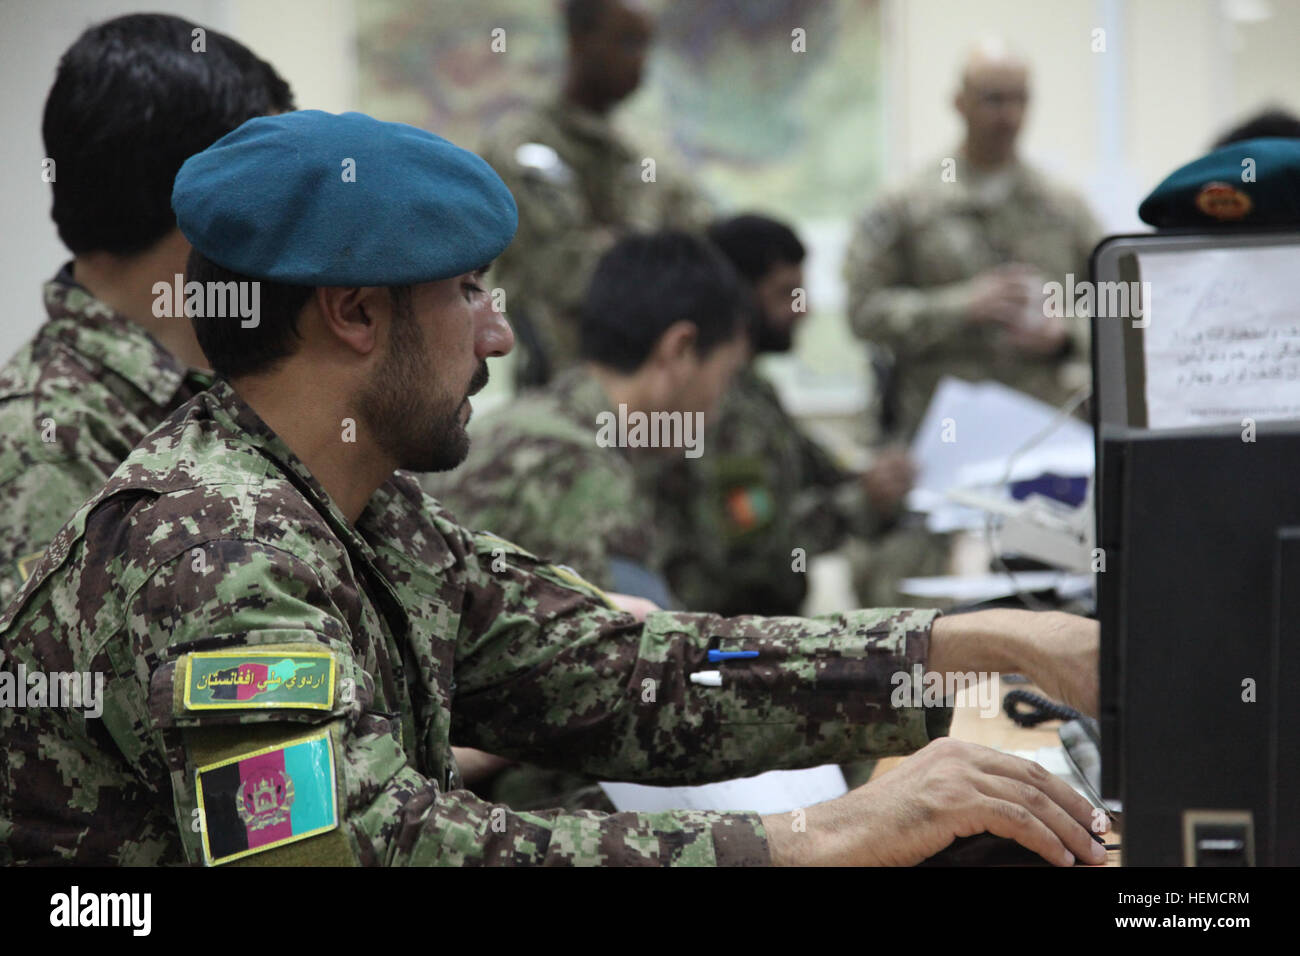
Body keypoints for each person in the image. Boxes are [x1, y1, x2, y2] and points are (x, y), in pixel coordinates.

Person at [0, 109, 1105, 868]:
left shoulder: (359, 510)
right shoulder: (212, 552)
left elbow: (630, 670)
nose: (501, 332)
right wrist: (813, 835)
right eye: (469, 290)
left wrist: (990, 644)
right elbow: (354, 849)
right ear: (353, 313)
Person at [0, 13, 293, 610]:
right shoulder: (43, 444)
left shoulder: (251, 386)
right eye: (273, 178)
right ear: (209, 197)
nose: (288, 211)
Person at [426, 230, 749, 603]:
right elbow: (640, 651)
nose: (719, 406)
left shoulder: (510, 423)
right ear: (680, 350)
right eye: (727, 376)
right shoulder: (588, 478)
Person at [646, 213, 915, 619]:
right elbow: (746, 551)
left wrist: (873, 476)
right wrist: (862, 502)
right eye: (786, 294)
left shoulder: (754, 391)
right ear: (738, 296)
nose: (802, 311)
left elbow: (819, 467)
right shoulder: (711, 402)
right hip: (721, 636)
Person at [842, 39, 1101, 444]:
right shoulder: (906, 206)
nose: (1009, 116)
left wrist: (1065, 333)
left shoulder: (1064, 208)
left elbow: (1120, 307)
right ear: (959, 103)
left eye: (1020, 100)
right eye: (994, 100)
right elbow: (864, 312)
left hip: (1046, 430)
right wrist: (962, 306)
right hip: (941, 431)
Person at [479, 0, 712, 386]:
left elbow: (701, 240)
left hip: (649, 386)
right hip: (563, 386)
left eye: (645, 46)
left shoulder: (642, 150)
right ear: (579, 41)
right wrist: (653, 252)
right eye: (626, 43)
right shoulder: (523, 146)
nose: (640, 61)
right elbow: (563, 267)